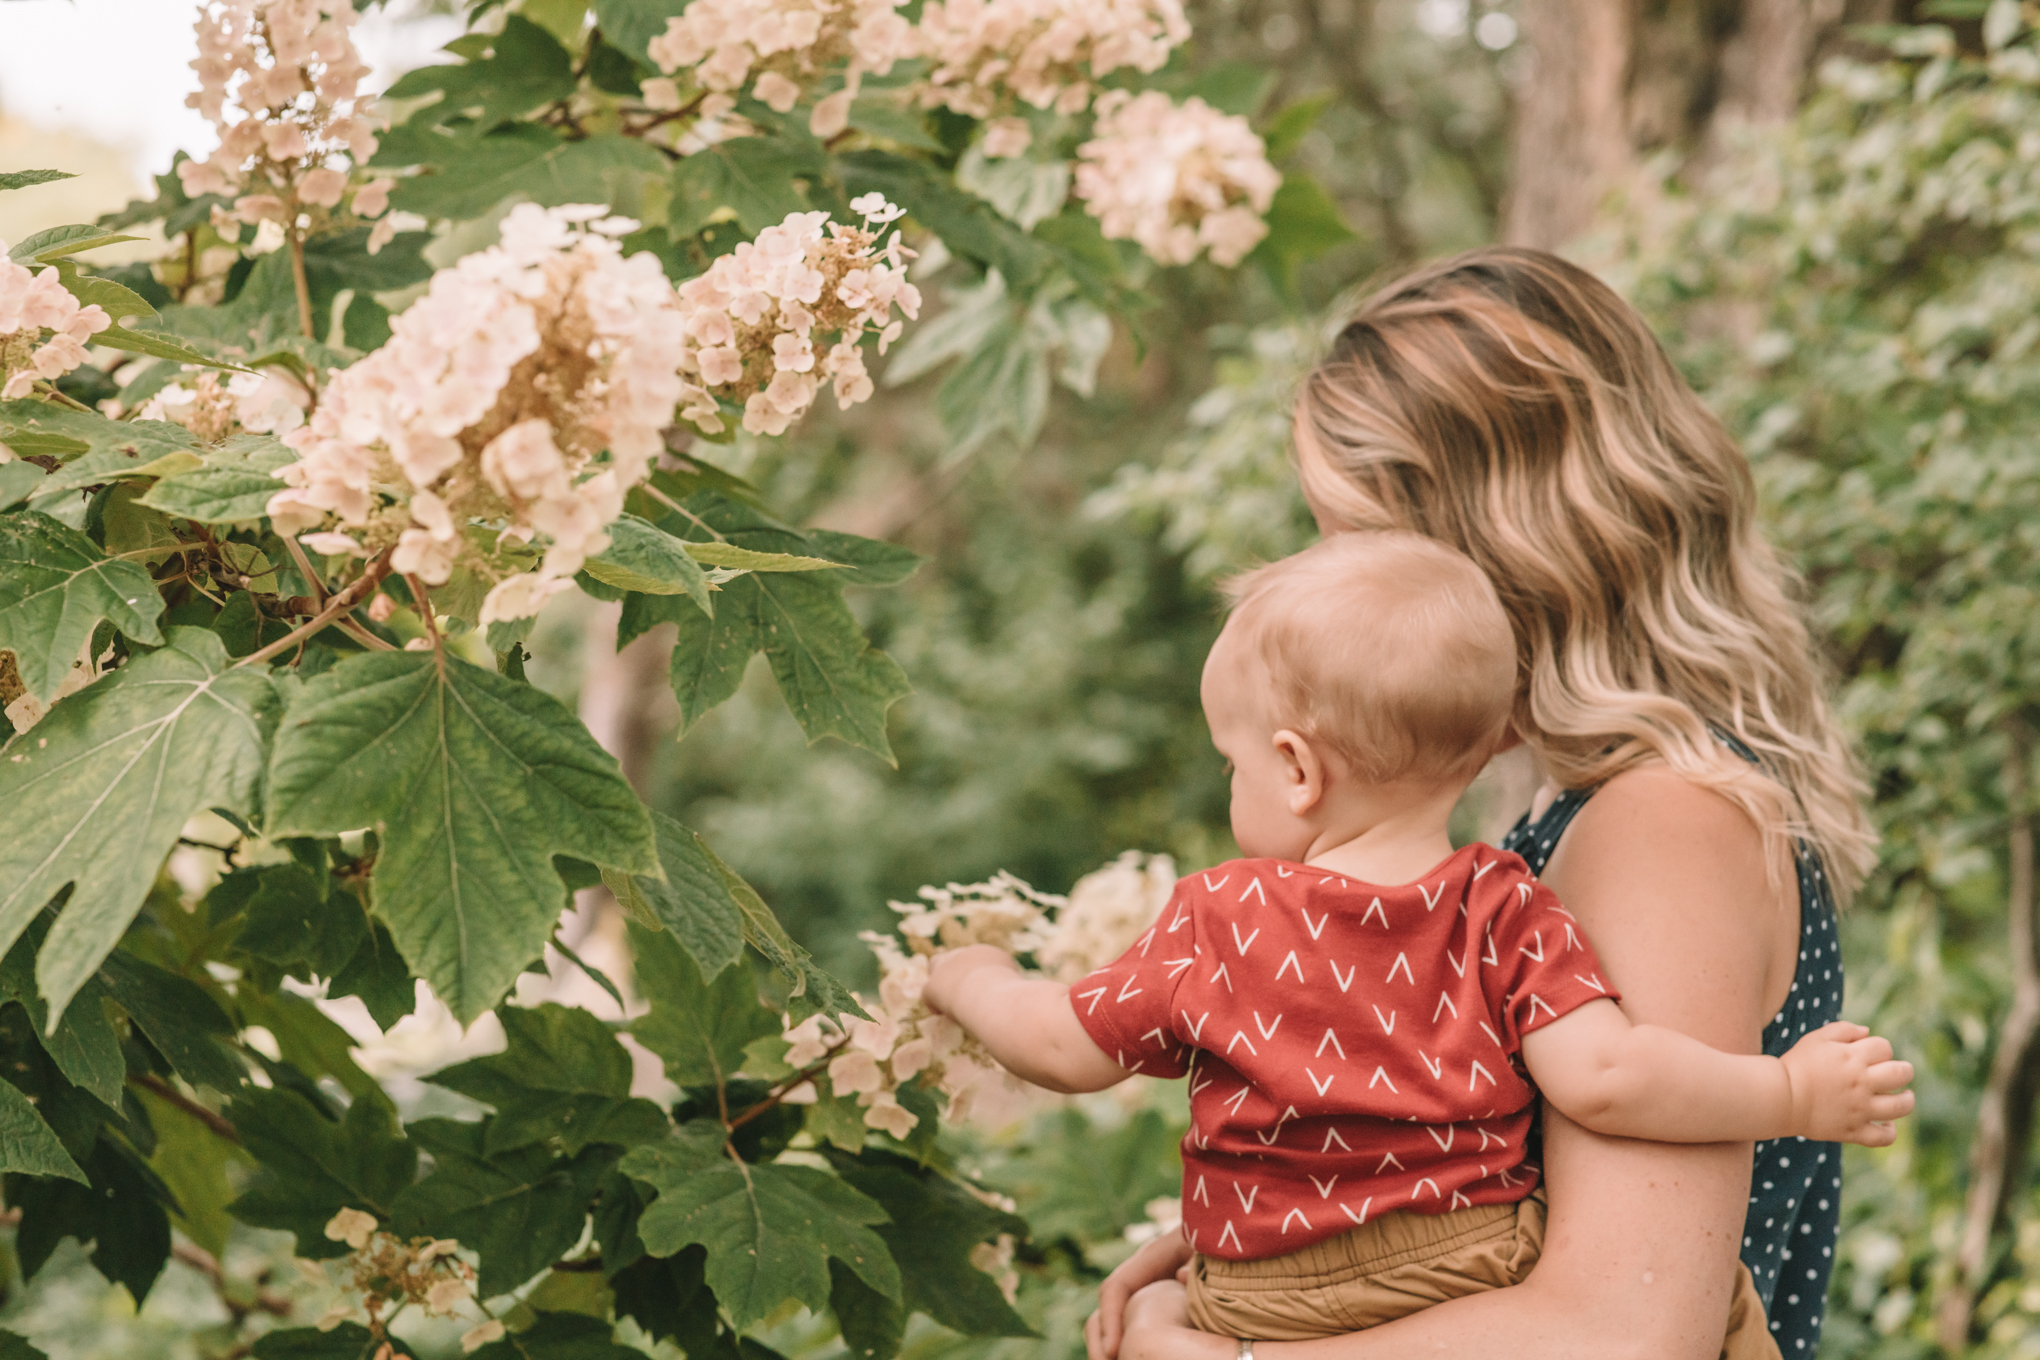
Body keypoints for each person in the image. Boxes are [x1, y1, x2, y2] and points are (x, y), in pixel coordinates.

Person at [1075, 247, 1881, 1360]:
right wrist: (1274, 1257)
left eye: (1351, 539)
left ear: (1507, 551)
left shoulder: (1663, 827)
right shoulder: (1586, 811)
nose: (1324, 587)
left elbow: (1620, 1331)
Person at [923, 531, 1909, 1359]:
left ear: (1296, 769)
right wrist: (1790, 1095)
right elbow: (1609, 1077)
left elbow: (1058, 1045)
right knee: (1728, 1313)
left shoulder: (1219, 918)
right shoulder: (1506, 907)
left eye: (1233, 763)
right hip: (1469, 1267)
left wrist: (970, 975)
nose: (1233, 787)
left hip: (1260, 1297)